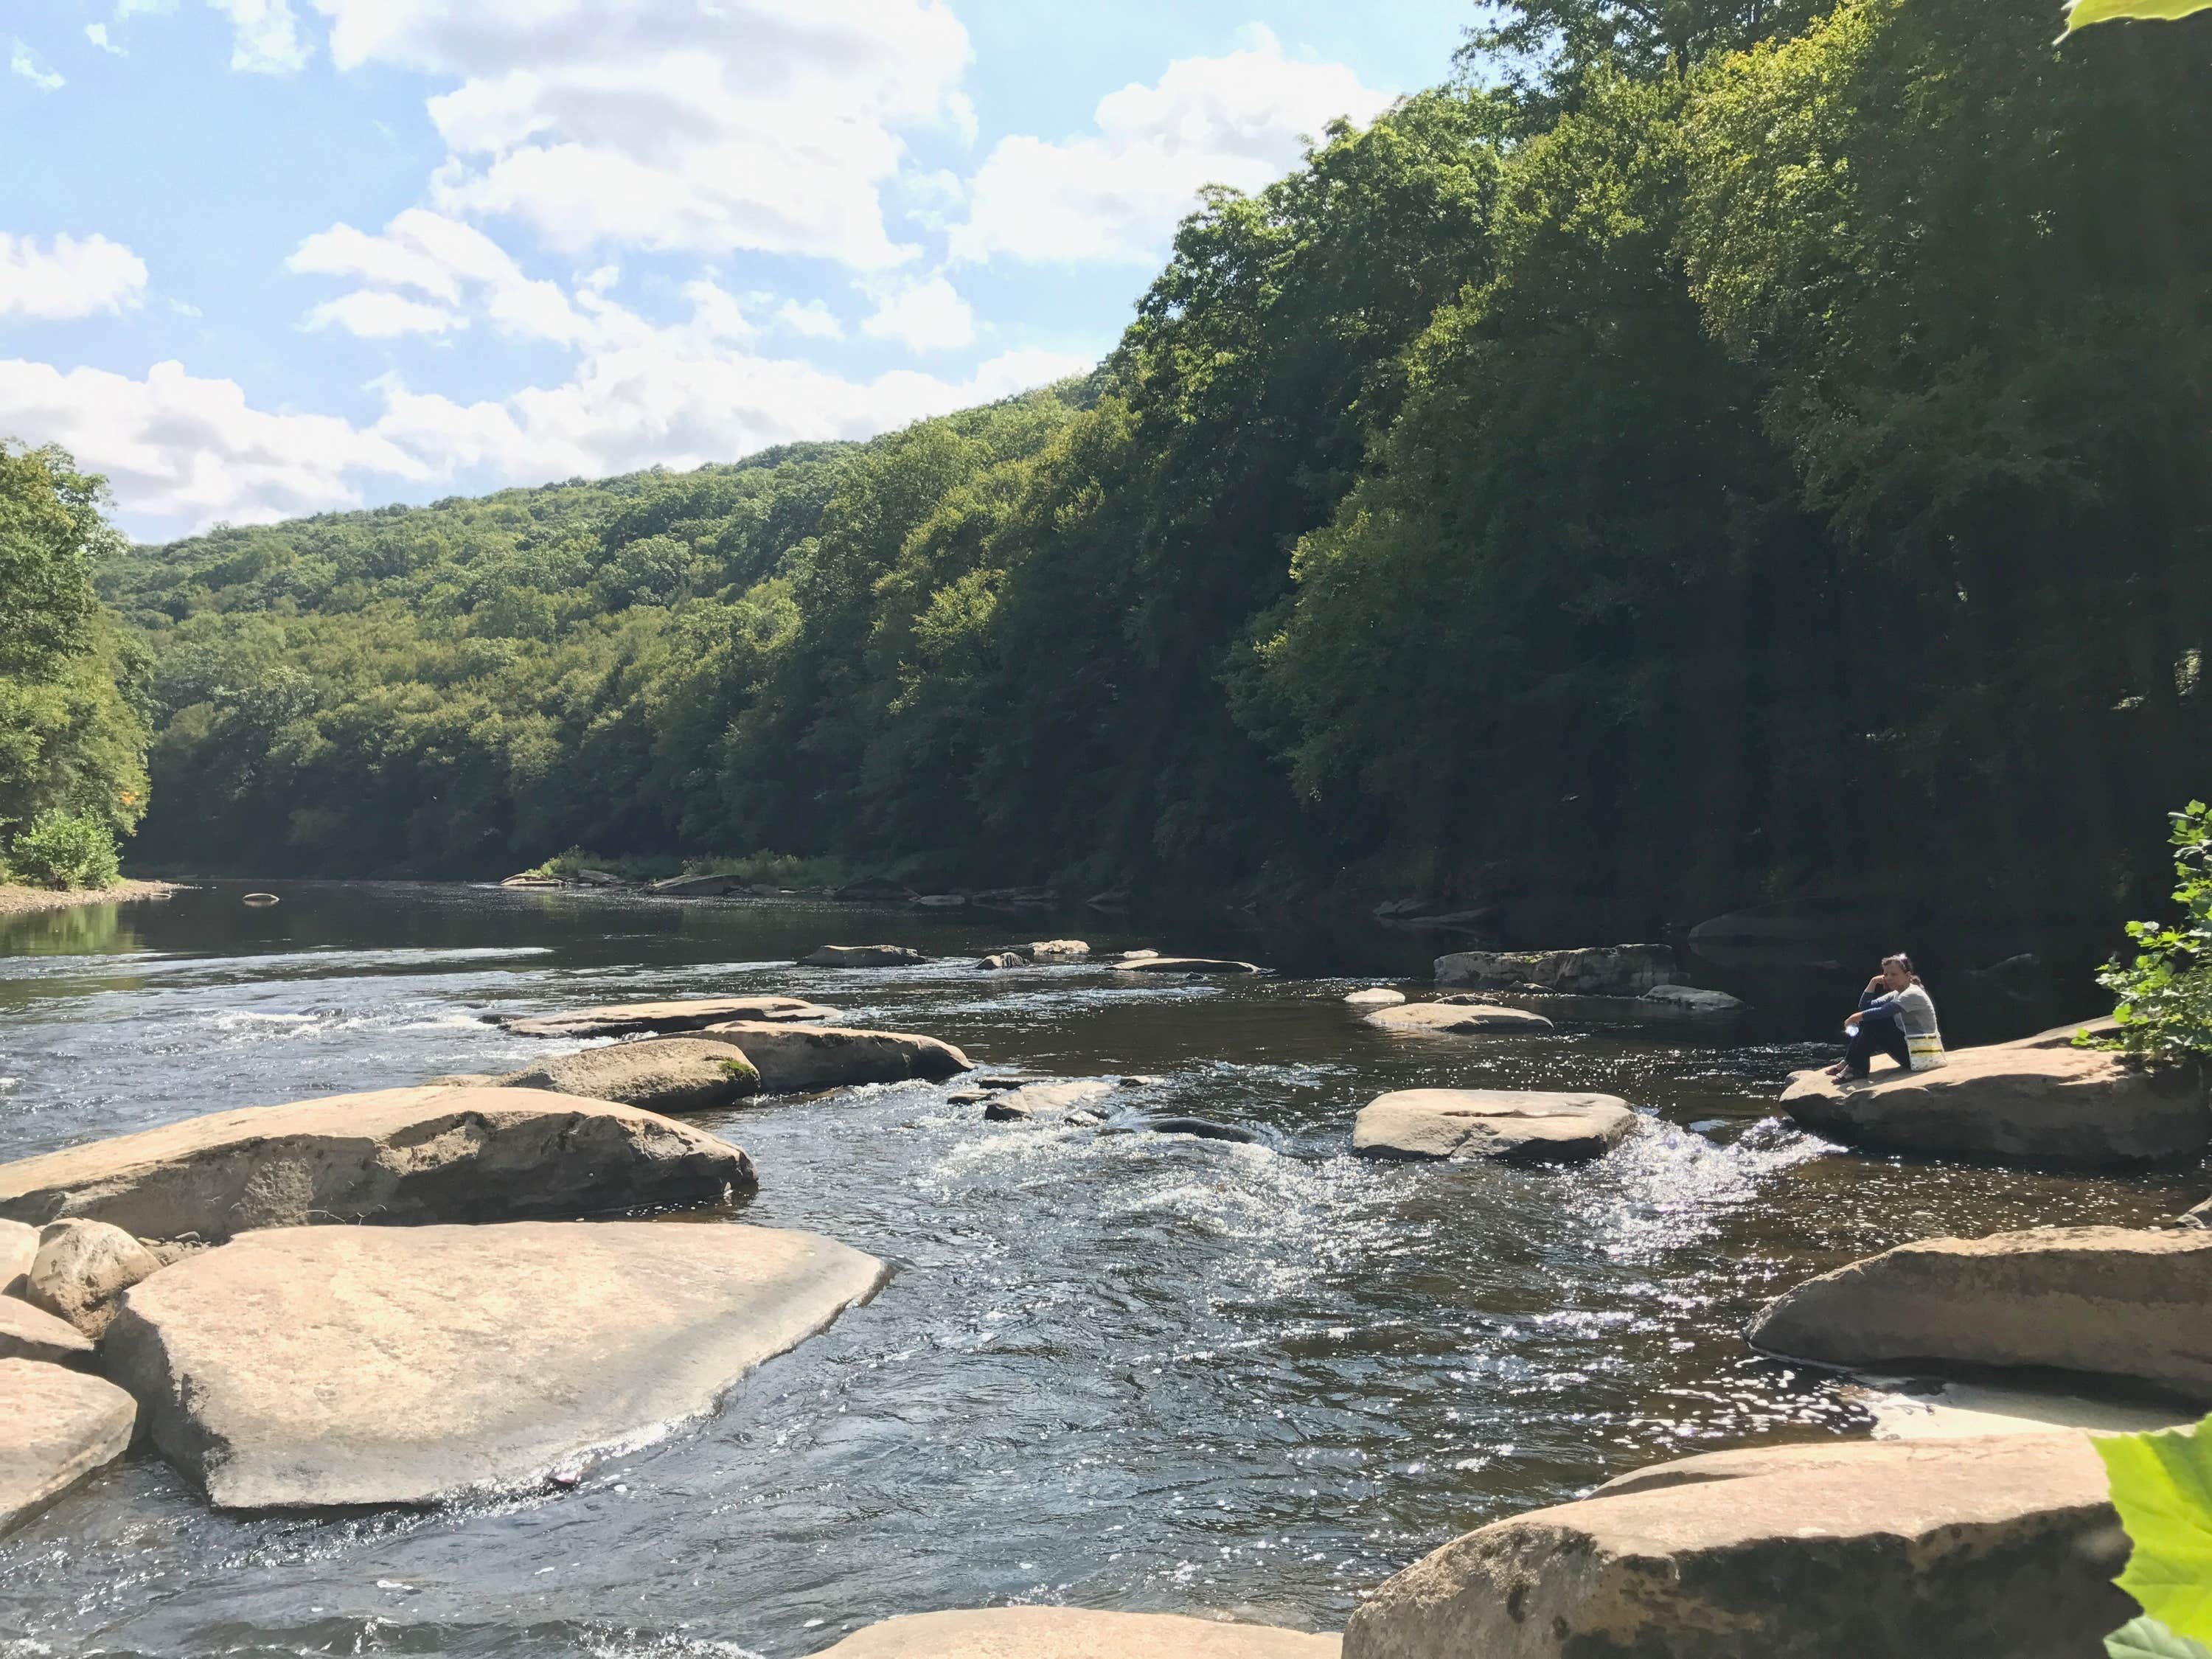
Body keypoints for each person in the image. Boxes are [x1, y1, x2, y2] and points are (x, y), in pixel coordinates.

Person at [1826, 953, 1940, 1080]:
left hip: (1923, 1055)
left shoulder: (1913, 994)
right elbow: (1865, 1007)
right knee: (1870, 1020)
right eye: (1886, 975)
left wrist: (1853, 1019)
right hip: (1912, 1052)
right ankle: (1851, 1063)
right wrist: (1873, 982)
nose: (1889, 978)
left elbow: (1883, 1011)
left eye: (1894, 974)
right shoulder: (1896, 993)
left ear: (1908, 975)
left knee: (1876, 1022)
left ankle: (1855, 1067)